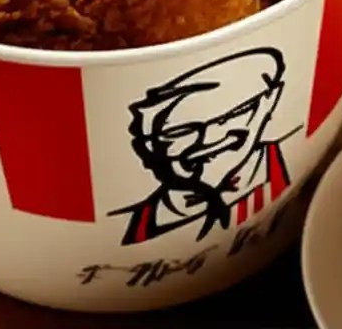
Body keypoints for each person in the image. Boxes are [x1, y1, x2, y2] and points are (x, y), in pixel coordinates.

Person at [111, 48, 301, 245]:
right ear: (151, 146)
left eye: (232, 116)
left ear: (269, 102)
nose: (210, 140)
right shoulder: (131, 223)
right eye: (181, 132)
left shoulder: (294, 164)